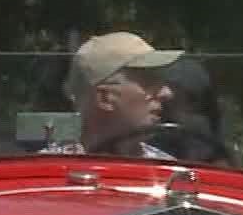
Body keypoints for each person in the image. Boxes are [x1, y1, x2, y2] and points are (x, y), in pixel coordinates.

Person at [41, 31, 181, 159]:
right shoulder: (49, 173)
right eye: (148, 82)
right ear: (105, 98)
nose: (166, 93)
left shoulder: (169, 172)